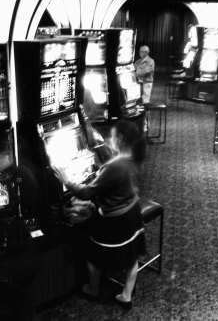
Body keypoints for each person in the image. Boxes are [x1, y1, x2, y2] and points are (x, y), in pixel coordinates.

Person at [52, 119, 146, 310]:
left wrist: (67, 180)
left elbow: (86, 192)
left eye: (111, 136)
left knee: (91, 253)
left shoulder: (114, 166)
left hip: (116, 220)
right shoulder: (135, 157)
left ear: (120, 137)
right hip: (133, 213)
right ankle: (126, 295)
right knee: (132, 255)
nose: (109, 139)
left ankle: (93, 289)